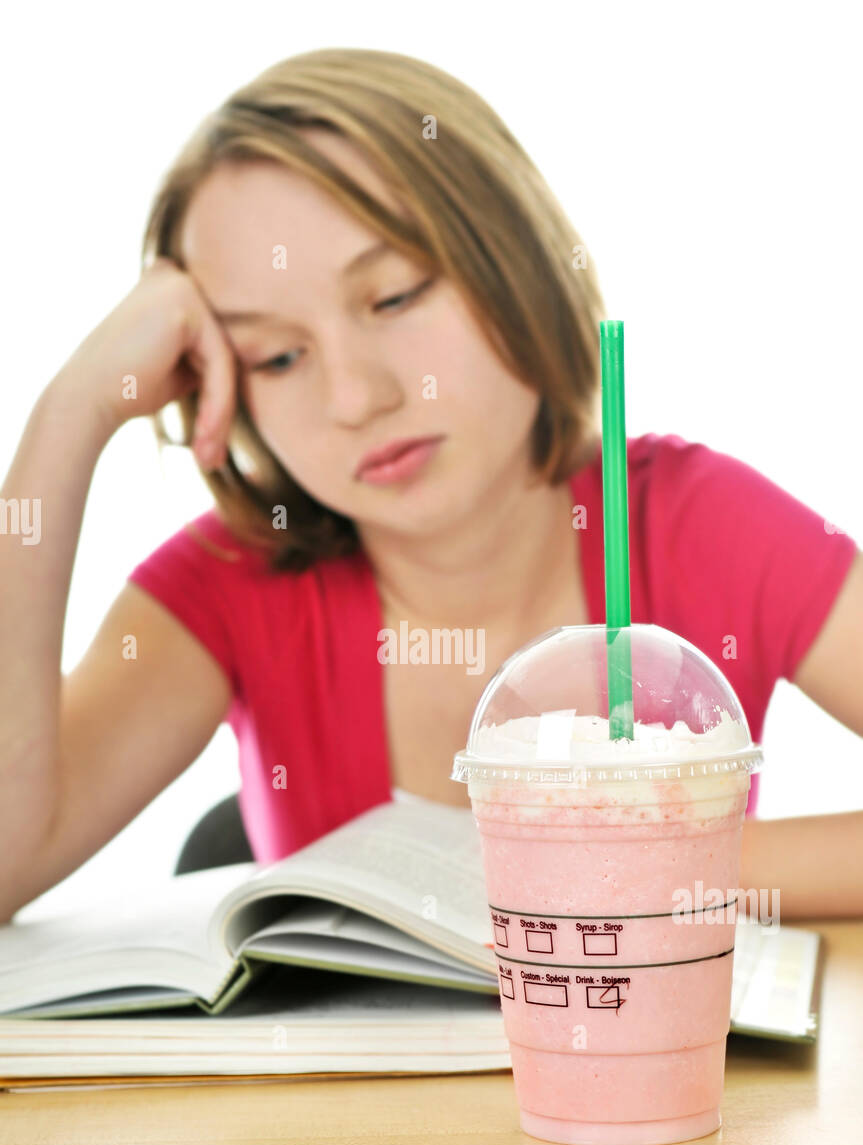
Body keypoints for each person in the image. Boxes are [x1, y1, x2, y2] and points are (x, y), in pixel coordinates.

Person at [1, 48, 861, 924]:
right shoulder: (227, 586)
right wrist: (71, 413)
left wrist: (658, 870)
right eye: (277, 356)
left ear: (514, 259)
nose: (355, 397)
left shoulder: (697, 524)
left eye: (394, 297)